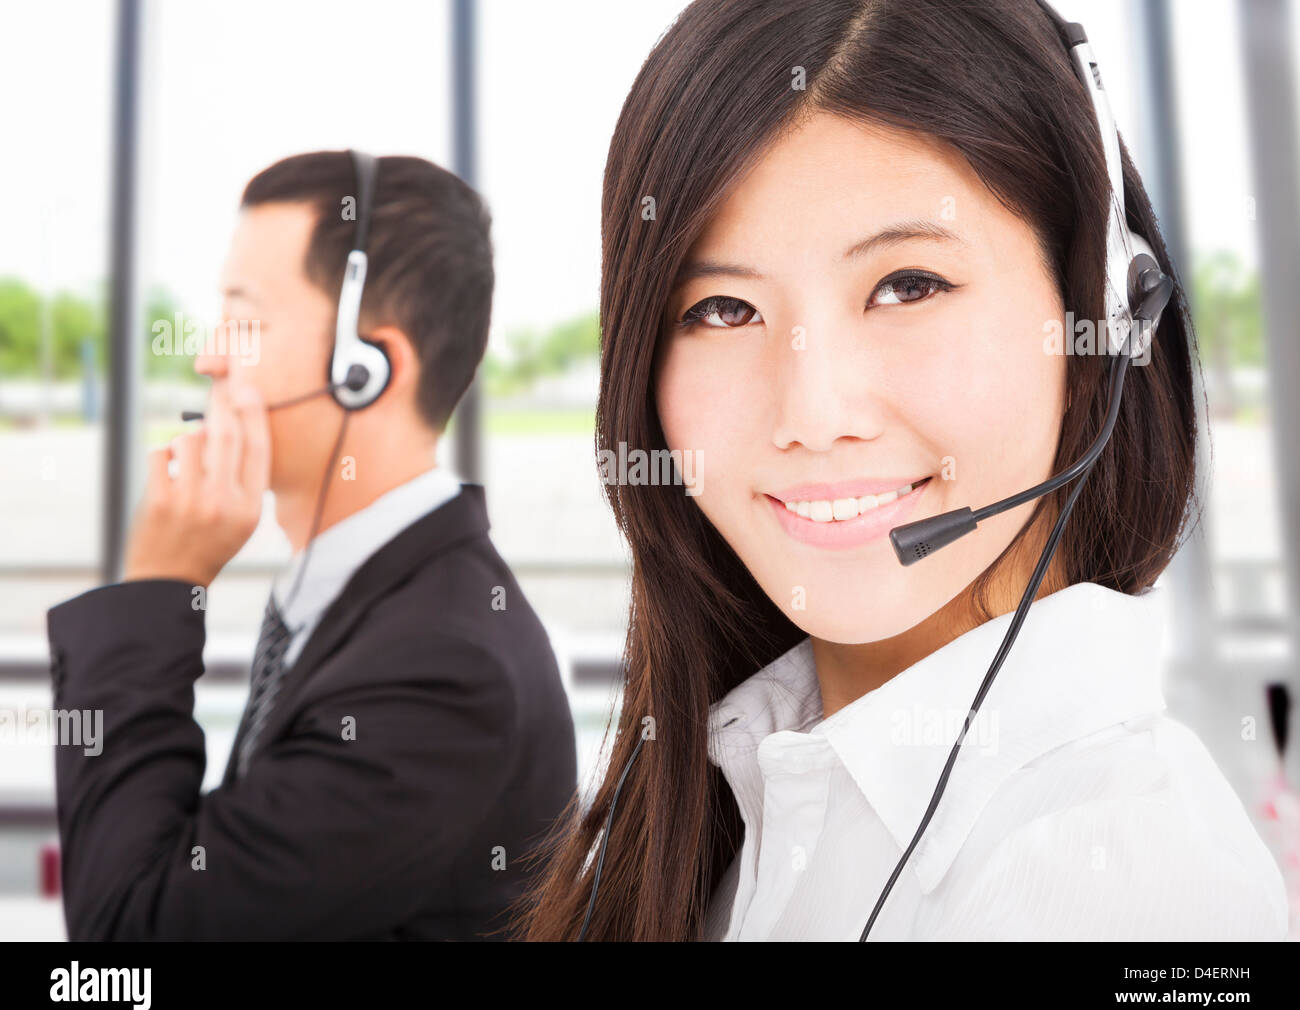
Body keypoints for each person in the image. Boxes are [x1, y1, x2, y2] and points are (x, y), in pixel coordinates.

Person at [512, 0, 1289, 941]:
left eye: (907, 285)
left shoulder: (1122, 888)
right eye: (722, 308)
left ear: (1101, 314)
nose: (812, 415)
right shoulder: (744, 778)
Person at [47, 150, 577, 940]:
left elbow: (132, 939)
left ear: (364, 368)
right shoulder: (363, 592)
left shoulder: (446, 671)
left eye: (243, 319)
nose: (208, 357)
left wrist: (159, 584)